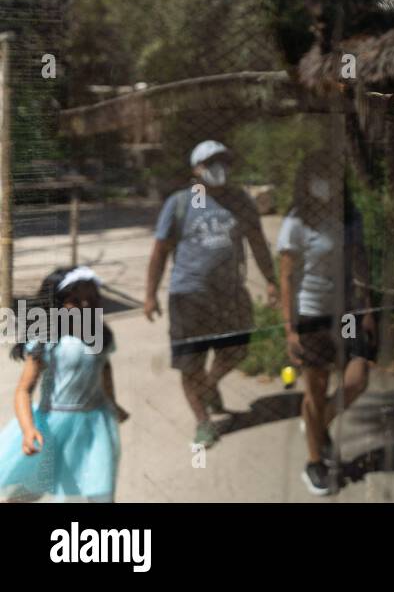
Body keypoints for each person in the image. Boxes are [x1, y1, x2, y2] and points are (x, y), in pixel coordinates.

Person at [145, 140, 278, 448]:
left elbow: (258, 242)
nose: (219, 168)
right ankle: (203, 423)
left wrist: (271, 280)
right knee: (191, 362)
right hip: (189, 295)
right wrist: (150, 295)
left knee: (237, 349)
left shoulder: (241, 201)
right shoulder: (180, 203)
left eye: (223, 161)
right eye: (210, 163)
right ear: (196, 169)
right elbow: (159, 252)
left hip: (231, 293)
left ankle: (209, 384)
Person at [277, 151, 376, 496]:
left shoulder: (350, 217)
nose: (324, 183)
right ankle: (314, 462)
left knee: (359, 376)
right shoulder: (296, 222)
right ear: (305, 182)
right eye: (317, 176)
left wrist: (368, 308)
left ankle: (318, 428)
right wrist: (290, 329)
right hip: (312, 315)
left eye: (330, 175)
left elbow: (360, 263)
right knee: (314, 390)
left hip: (347, 314)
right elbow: (287, 279)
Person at [0, 267, 128, 502]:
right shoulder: (45, 340)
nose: (86, 306)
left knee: (98, 485)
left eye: (93, 299)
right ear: (57, 304)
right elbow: (23, 390)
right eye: (75, 301)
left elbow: (104, 368)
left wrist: (112, 401)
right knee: (34, 484)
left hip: (95, 424)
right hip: (54, 425)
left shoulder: (101, 335)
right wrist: (28, 430)